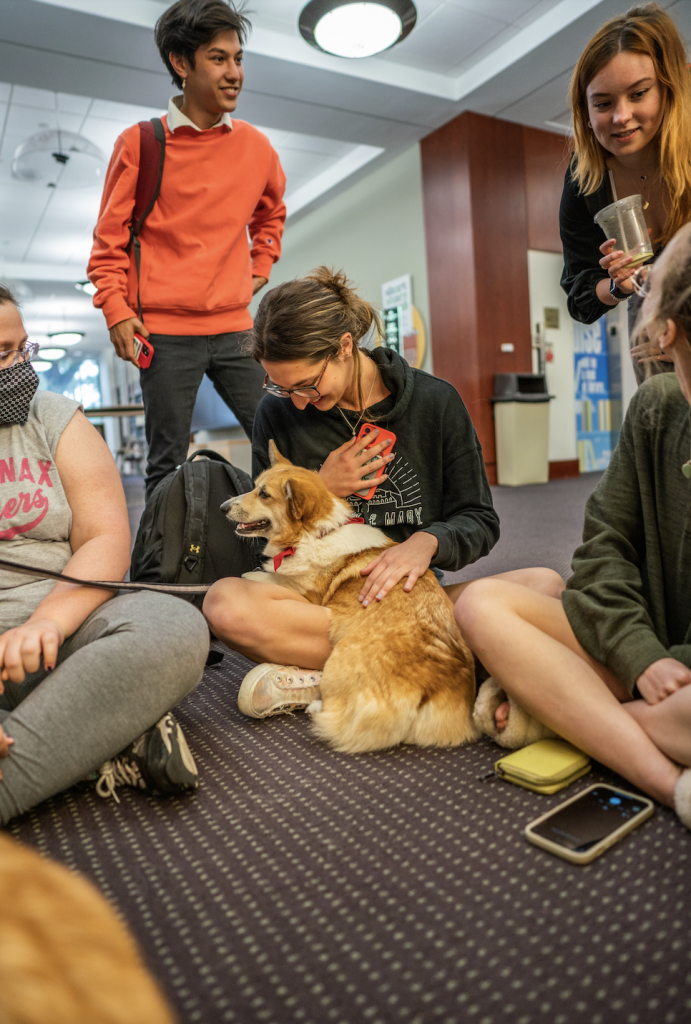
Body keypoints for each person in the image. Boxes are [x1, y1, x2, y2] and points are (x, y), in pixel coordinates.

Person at [203, 268, 563, 718]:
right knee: (225, 604)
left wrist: (425, 542)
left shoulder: (435, 402)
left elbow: (479, 520)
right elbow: (265, 528)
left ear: (344, 347)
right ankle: (427, 671)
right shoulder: (277, 413)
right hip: (321, 602)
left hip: (410, 603)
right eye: (281, 386)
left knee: (546, 587)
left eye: (307, 384)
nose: (297, 401)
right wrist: (322, 488)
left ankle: (332, 678)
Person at [454, 221, 691, 829]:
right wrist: (642, 658)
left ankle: (578, 719)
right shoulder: (657, 406)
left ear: (664, 329)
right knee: (480, 604)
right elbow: (602, 551)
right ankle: (669, 782)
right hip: (637, 651)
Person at [0, 284, 209, 823]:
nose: (21, 368)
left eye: (23, 349)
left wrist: (46, 623)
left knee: (173, 626)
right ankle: (99, 738)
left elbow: (105, 539)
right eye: (3, 354)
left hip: (64, 634)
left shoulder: (54, 418)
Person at [88, 0, 286, 498]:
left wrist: (261, 265)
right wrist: (115, 309)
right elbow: (109, 240)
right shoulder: (141, 143)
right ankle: (163, 549)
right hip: (164, 333)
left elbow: (271, 215)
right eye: (218, 59)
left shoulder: (257, 146)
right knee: (166, 464)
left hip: (236, 327)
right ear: (181, 63)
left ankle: (280, 540)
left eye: (238, 59)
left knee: (281, 445)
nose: (234, 73)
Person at [559, 2, 691, 382]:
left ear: (666, 90)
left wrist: (683, 334)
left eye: (638, 94)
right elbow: (580, 297)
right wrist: (619, 286)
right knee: (659, 401)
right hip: (653, 321)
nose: (620, 117)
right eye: (603, 104)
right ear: (585, 111)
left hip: (676, 322)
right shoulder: (585, 179)